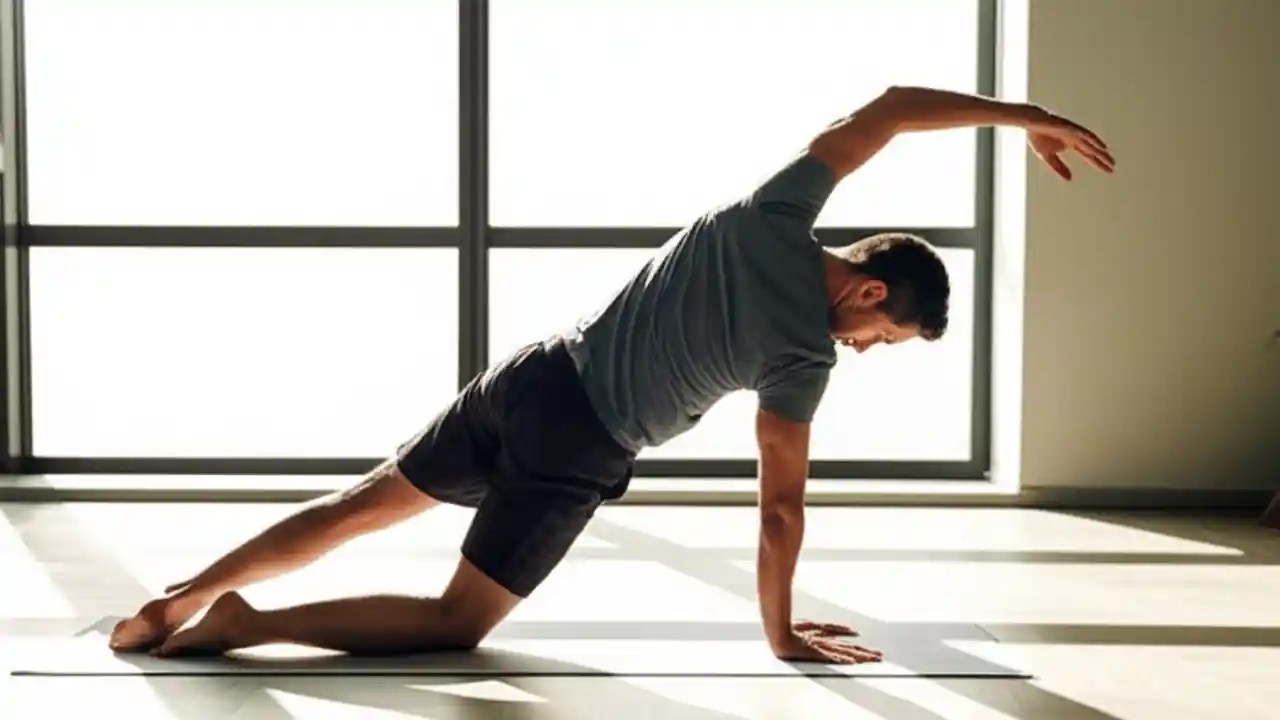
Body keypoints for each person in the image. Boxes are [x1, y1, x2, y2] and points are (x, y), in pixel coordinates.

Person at [108, 85, 1113, 663]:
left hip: (534, 375)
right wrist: (779, 636)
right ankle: (248, 624)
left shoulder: (767, 211)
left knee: (358, 504)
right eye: (879, 338)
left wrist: (1020, 113)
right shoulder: (802, 353)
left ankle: (183, 595)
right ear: (865, 296)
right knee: (458, 622)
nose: (861, 353)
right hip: (580, 440)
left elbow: (888, 108)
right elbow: (777, 508)